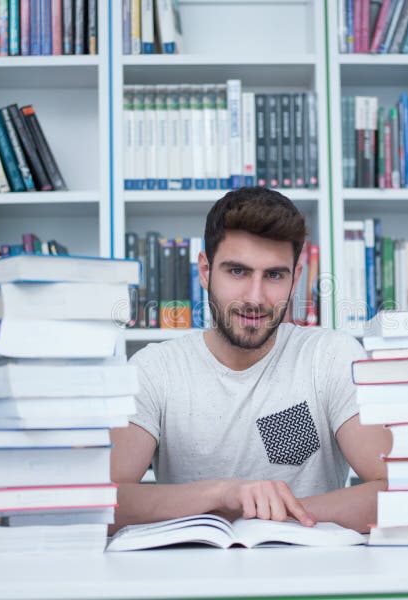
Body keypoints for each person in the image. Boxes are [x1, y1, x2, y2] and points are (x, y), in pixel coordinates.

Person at [110, 187, 390, 533]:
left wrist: (273, 514)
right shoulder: (154, 370)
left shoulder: (330, 357)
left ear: (295, 279)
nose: (255, 298)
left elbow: (394, 489)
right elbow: (105, 503)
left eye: (274, 275)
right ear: (204, 271)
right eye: (237, 272)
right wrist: (223, 493)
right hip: (191, 577)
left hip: (312, 577)